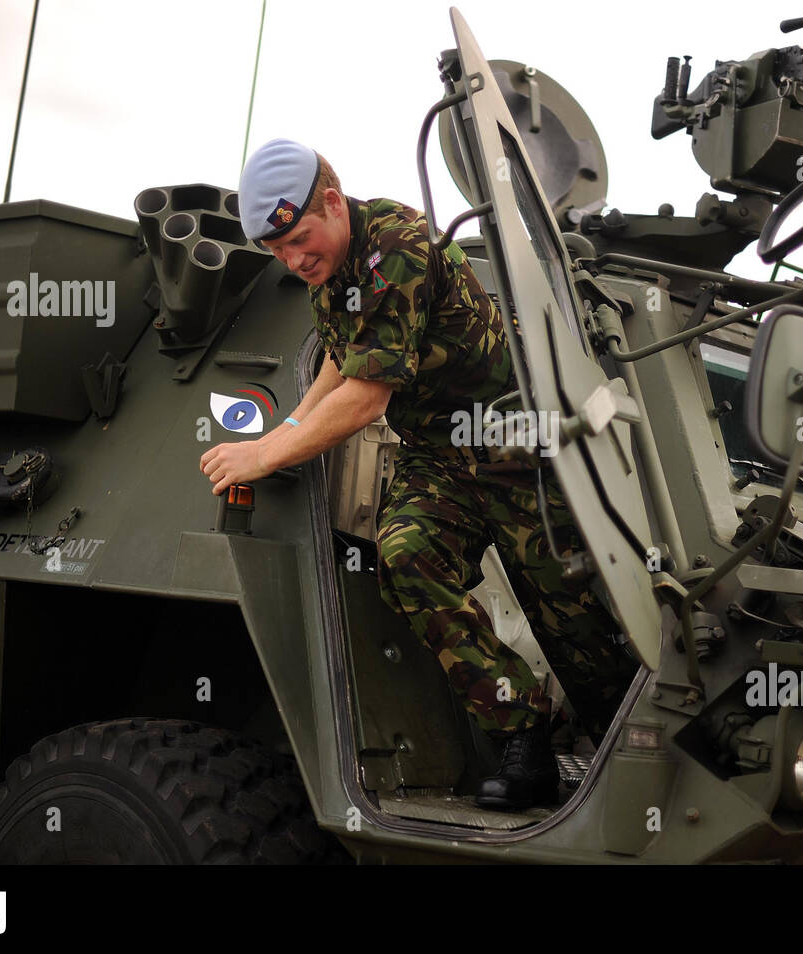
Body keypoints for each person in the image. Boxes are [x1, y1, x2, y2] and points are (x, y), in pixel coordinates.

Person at [200, 139, 638, 810]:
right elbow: (341, 360)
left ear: (332, 202)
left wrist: (261, 457)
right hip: (440, 455)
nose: (292, 258)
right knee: (407, 557)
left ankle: (633, 758)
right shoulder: (330, 271)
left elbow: (367, 396)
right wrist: (286, 430)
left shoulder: (396, 243)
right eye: (276, 249)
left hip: (519, 451)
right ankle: (523, 733)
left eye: (298, 238)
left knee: (577, 628)